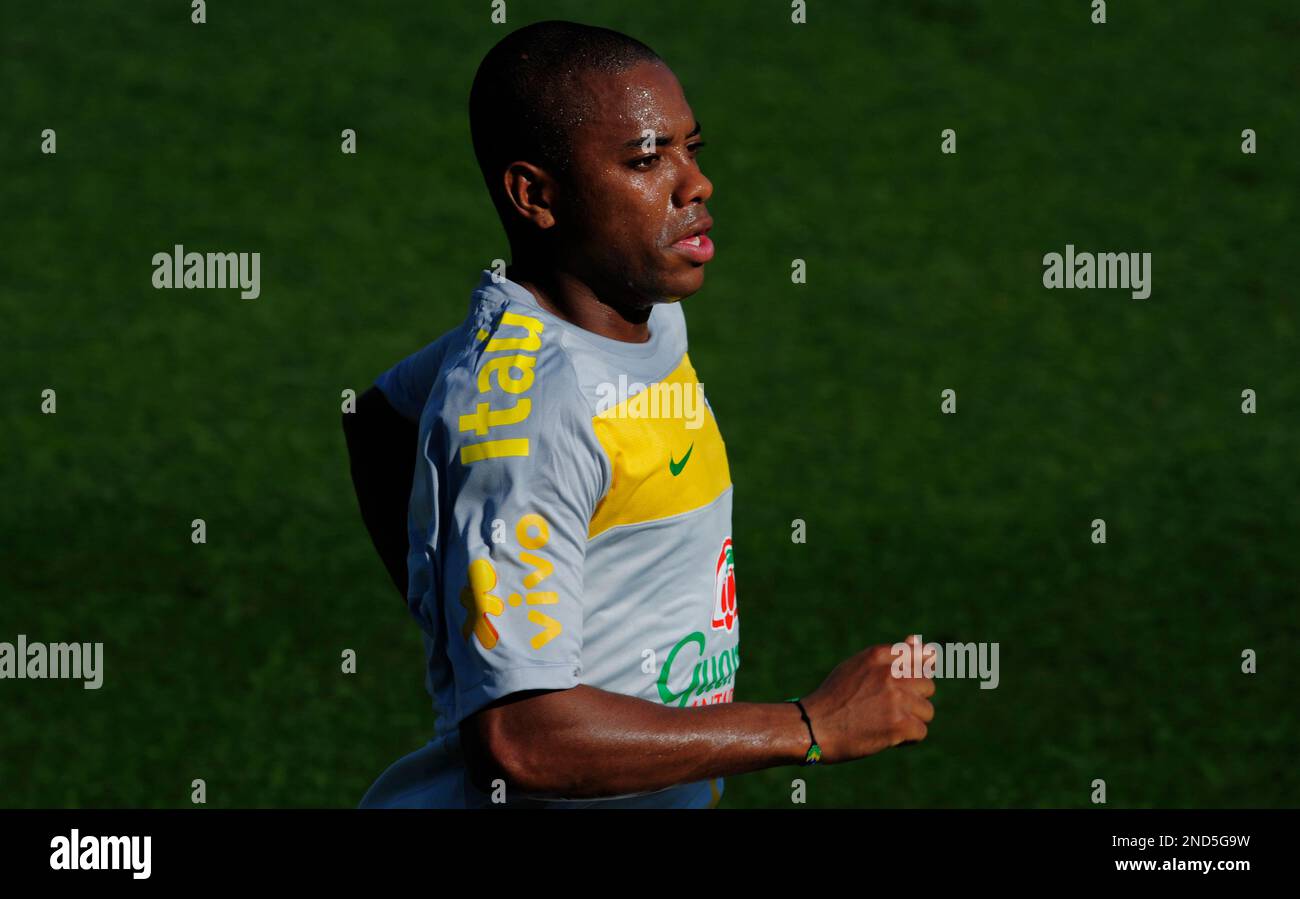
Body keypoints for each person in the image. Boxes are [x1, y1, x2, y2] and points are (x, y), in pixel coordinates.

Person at [344, 19, 936, 809]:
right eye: (647, 159)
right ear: (537, 195)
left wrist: (467, 615)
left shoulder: (631, 312)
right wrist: (811, 724)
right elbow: (522, 738)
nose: (695, 185)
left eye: (693, 148)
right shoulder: (536, 412)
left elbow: (381, 417)